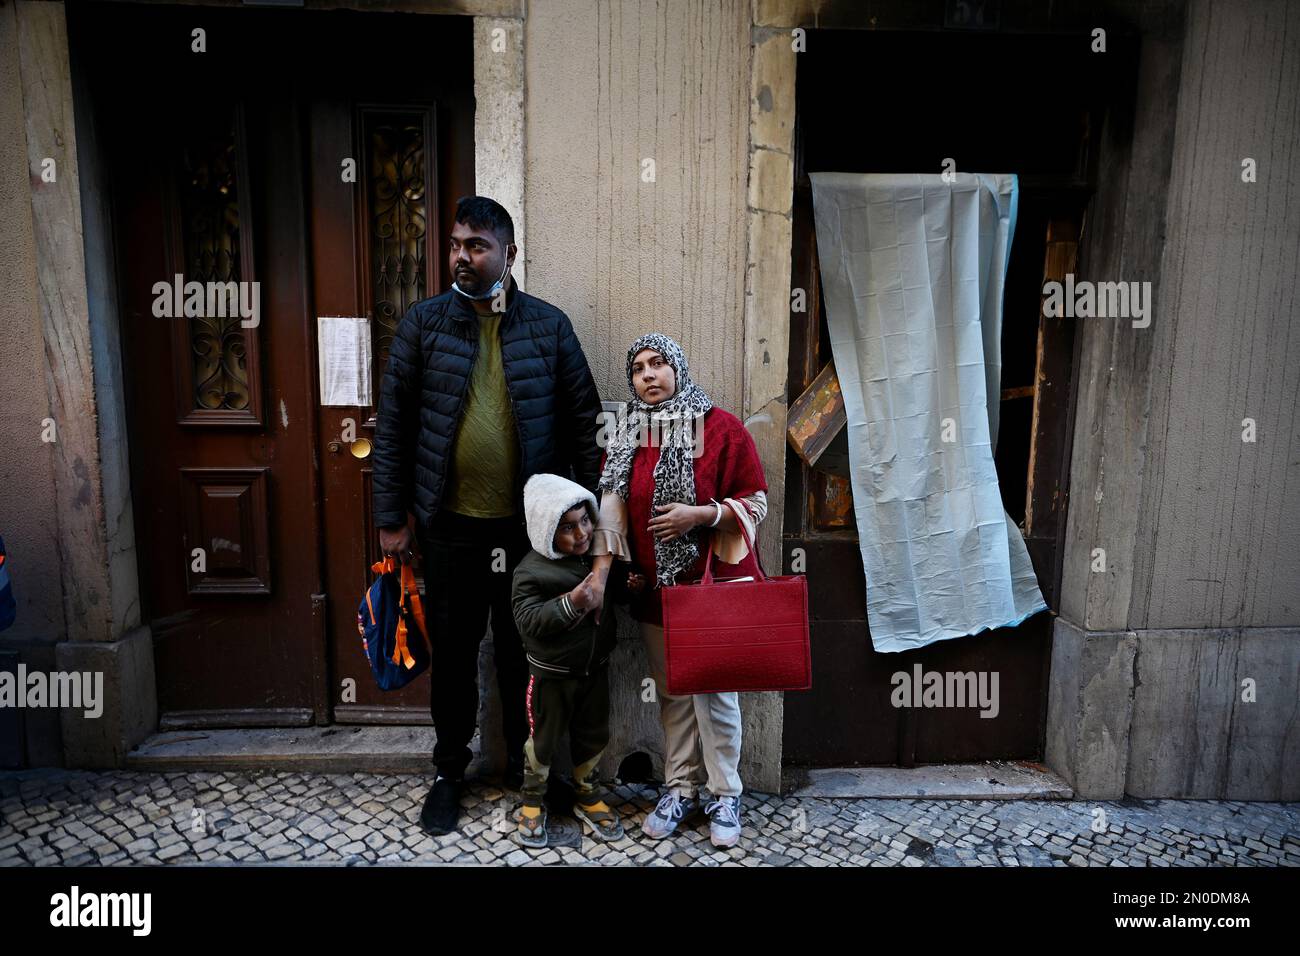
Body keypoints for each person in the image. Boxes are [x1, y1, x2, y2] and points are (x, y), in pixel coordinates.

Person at [372, 196, 604, 836]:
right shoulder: (424, 325)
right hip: (448, 527)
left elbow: (584, 427)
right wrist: (392, 515)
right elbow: (393, 426)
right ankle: (450, 771)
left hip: (527, 535)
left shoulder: (549, 328)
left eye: (476, 246)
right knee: (452, 654)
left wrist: (584, 527)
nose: (461, 257)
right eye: (455, 244)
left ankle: (530, 770)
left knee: (527, 653)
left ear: (508, 253)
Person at [587, 333, 768, 848]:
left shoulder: (721, 428)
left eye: (659, 363)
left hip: (708, 590)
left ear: (679, 367)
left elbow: (754, 499)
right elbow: (612, 508)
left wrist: (703, 514)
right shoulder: (628, 436)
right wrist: (604, 574)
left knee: (716, 693)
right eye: (639, 367)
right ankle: (680, 787)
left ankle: (725, 794)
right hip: (654, 592)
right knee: (673, 695)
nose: (649, 375)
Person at [510, 473, 646, 848]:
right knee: (544, 740)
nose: (582, 532)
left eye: (586, 519)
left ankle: (587, 794)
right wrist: (572, 604)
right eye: (568, 527)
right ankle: (533, 801)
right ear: (545, 530)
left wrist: (628, 587)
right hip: (552, 677)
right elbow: (529, 621)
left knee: (593, 734)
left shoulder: (594, 559)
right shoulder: (530, 572)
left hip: (594, 670)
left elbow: (613, 592)